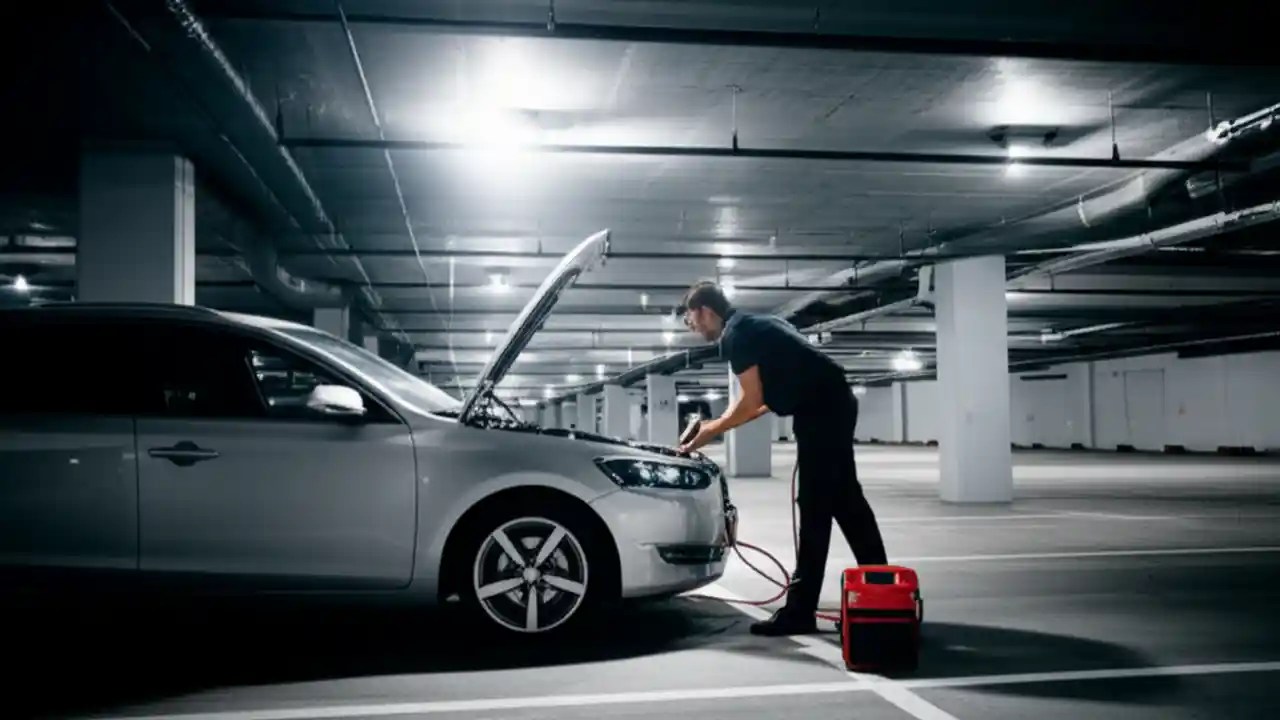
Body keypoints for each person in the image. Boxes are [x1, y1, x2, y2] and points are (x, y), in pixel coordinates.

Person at [676, 280, 888, 636]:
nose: (693, 328)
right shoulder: (757, 324)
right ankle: (881, 589)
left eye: (690, 320)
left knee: (816, 506)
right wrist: (712, 425)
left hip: (821, 412)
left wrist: (710, 433)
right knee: (846, 502)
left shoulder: (736, 337)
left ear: (705, 311)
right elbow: (757, 403)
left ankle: (800, 612)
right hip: (833, 403)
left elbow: (750, 400)